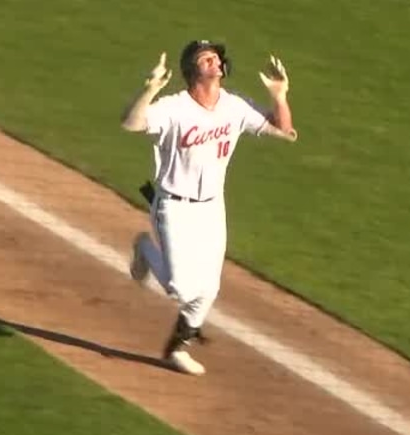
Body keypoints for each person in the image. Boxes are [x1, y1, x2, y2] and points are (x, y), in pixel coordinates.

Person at [120, 39, 298, 374]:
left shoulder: (234, 106)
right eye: (206, 58)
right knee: (181, 288)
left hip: (212, 208)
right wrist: (149, 91)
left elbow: (284, 130)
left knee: (209, 289)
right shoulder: (174, 107)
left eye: (216, 57)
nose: (215, 61)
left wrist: (279, 96)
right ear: (192, 71)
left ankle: (176, 348)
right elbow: (131, 124)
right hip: (173, 206)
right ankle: (145, 247)